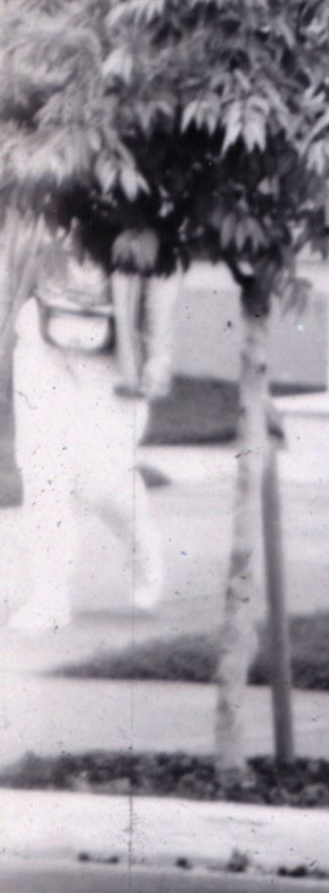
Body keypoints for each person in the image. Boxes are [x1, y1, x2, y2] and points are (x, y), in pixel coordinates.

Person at [6, 230, 170, 633]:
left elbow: (162, 267)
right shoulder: (43, 179)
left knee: (100, 478)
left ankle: (140, 539)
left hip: (114, 354)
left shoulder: (139, 188)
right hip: (42, 342)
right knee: (42, 467)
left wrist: (160, 352)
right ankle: (49, 596)